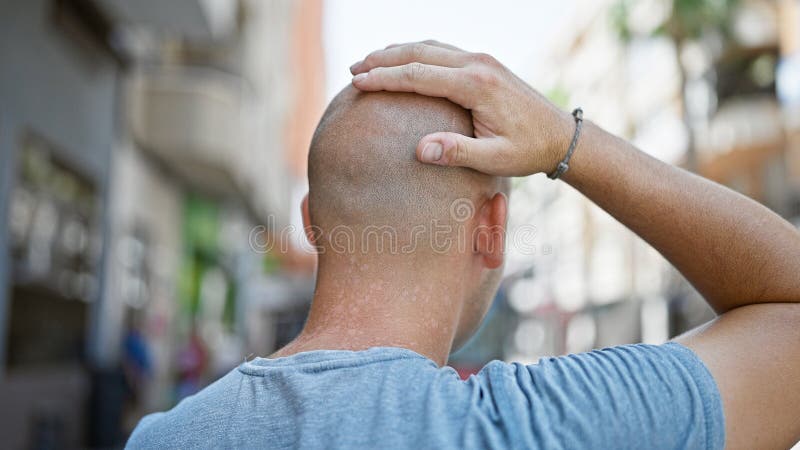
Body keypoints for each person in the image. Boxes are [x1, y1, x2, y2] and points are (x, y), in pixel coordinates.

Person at [126, 41, 800, 449]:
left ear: (311, 222)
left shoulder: (165, 437)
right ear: (491, 230)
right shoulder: (547, 425)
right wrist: (567, 142)